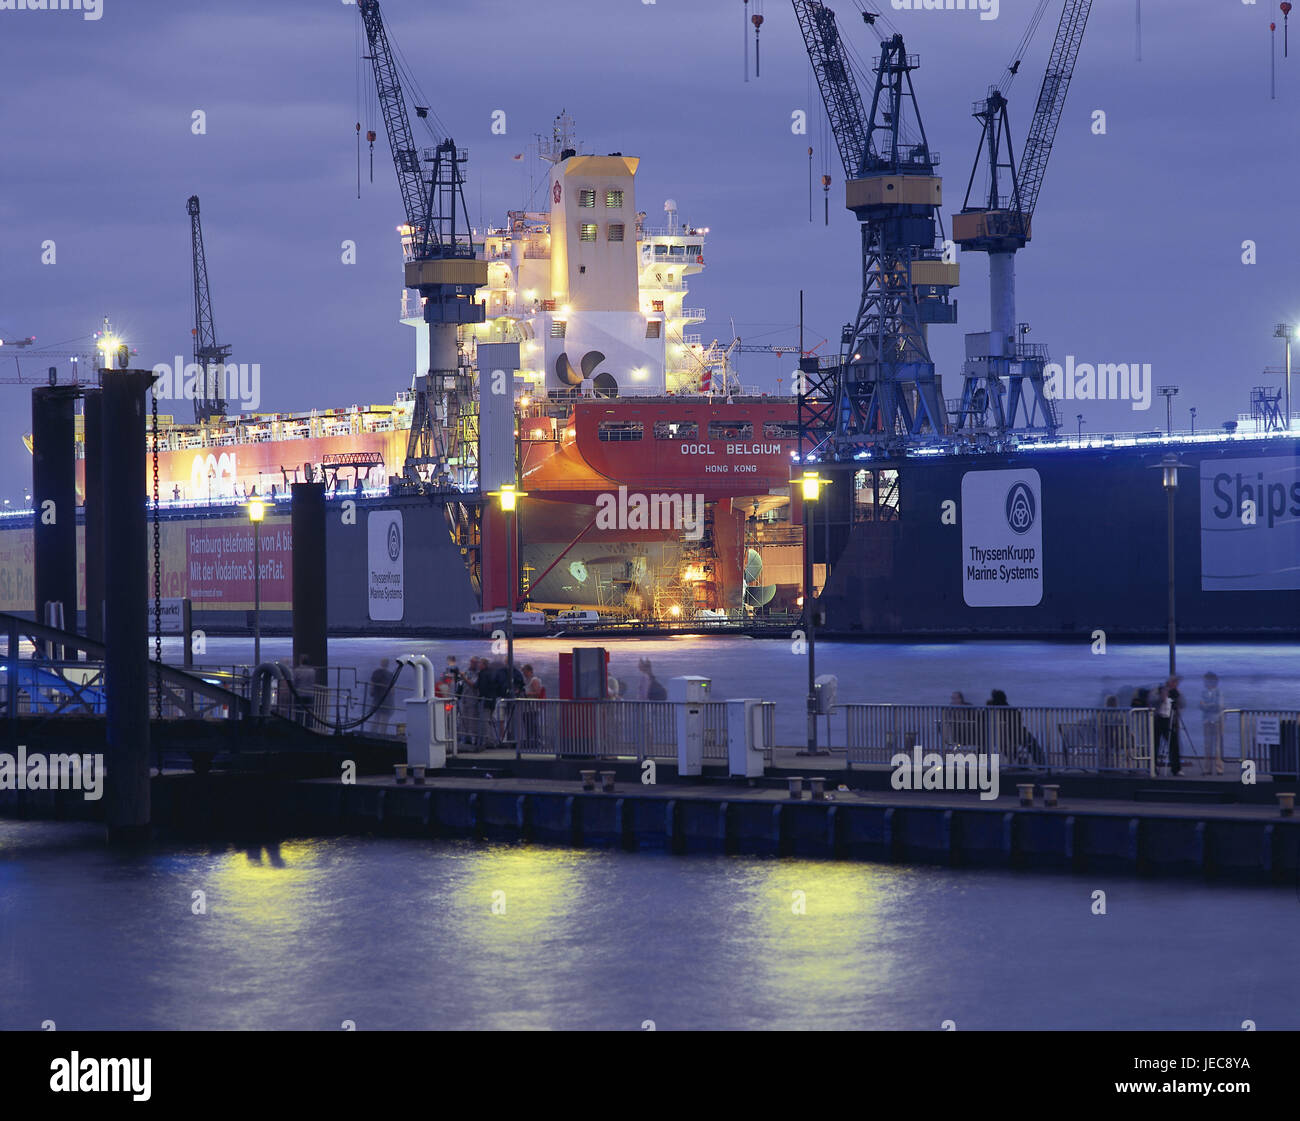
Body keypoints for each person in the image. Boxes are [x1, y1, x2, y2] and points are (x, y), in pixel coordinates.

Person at [986, 689, 1043, 765]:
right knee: (1032, 743)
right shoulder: (1010, 710)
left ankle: (1019, 761)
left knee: (1007, 745)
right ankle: (1042, 764)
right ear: (1004, 698)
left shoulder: (990, 710)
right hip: (1014, 736)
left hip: (997, 738)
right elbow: (1018, 723)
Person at [1199, 672, 1224, 775]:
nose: (1206, 682)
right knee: (1207, 746)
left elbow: (1218, 706)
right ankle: (1207, 769)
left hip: (1217, 720)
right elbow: (1200, 705)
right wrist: (1208, 705)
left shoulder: (1219, 692)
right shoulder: (1203, 692)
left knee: (1218, 746)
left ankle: (1219, 768)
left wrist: (1206, 705)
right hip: (1206, 721)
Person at [369, 657, 395, 735]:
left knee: (376, 717)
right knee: (384, 718)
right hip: (386, 699)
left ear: (381, 663)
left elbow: (372, 685)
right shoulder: (390, 675)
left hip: (377, 698)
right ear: (388, 664)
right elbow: (392, 690)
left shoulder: (376, 673)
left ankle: (373, 733)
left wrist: (372, 693)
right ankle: (382, 734)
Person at [1166, 675, 1185, 776]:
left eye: (1176, 683)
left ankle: (1176, 769)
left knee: (1174, 745)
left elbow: (1182, 704)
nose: (1174, 684)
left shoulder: (1178, 693)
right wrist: (1164, 695)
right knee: (1156, 744)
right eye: (1173, 682)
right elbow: (1154, 701)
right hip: (1161, 720)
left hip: (1174, 720)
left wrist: (1178, 696)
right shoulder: (1162, 690)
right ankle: (1153, 767)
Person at [293, 655, 314, 726]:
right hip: (310, 694)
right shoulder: (312, 671)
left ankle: (299, 726)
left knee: (299, 712)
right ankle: (310, 726)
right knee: (309, 712)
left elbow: (294, 682)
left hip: (300, 694)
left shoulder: (297, 671)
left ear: (301, 661)